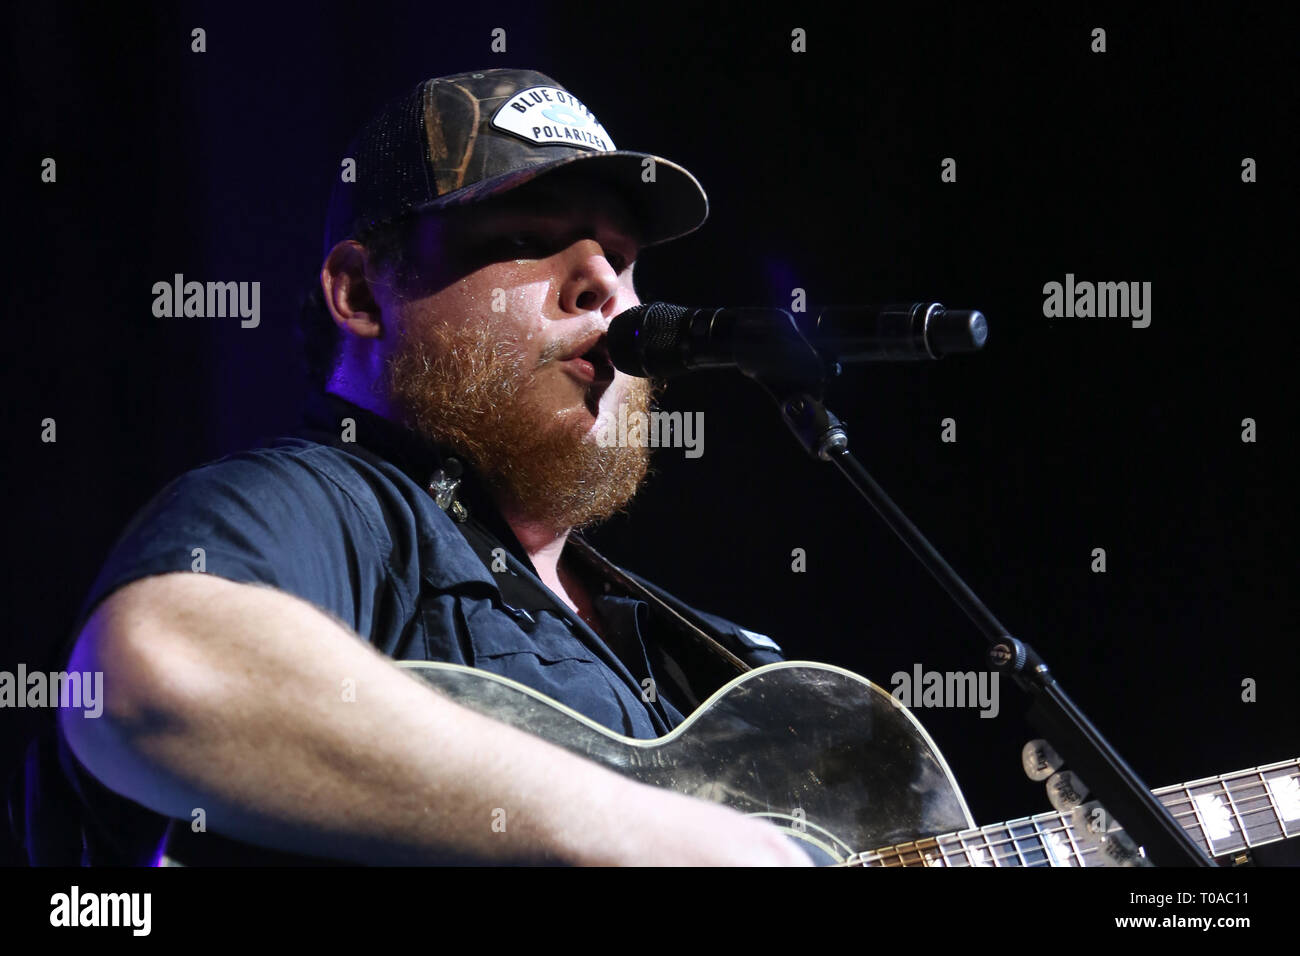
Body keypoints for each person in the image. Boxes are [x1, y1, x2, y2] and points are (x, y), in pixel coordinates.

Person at [43, 69, 814, 866]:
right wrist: (647, 835)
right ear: (361, 294)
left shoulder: (706, 656)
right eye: (526, 240)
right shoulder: (326, 501)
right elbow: (158, 672)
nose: (603, 286)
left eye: (620, 258)